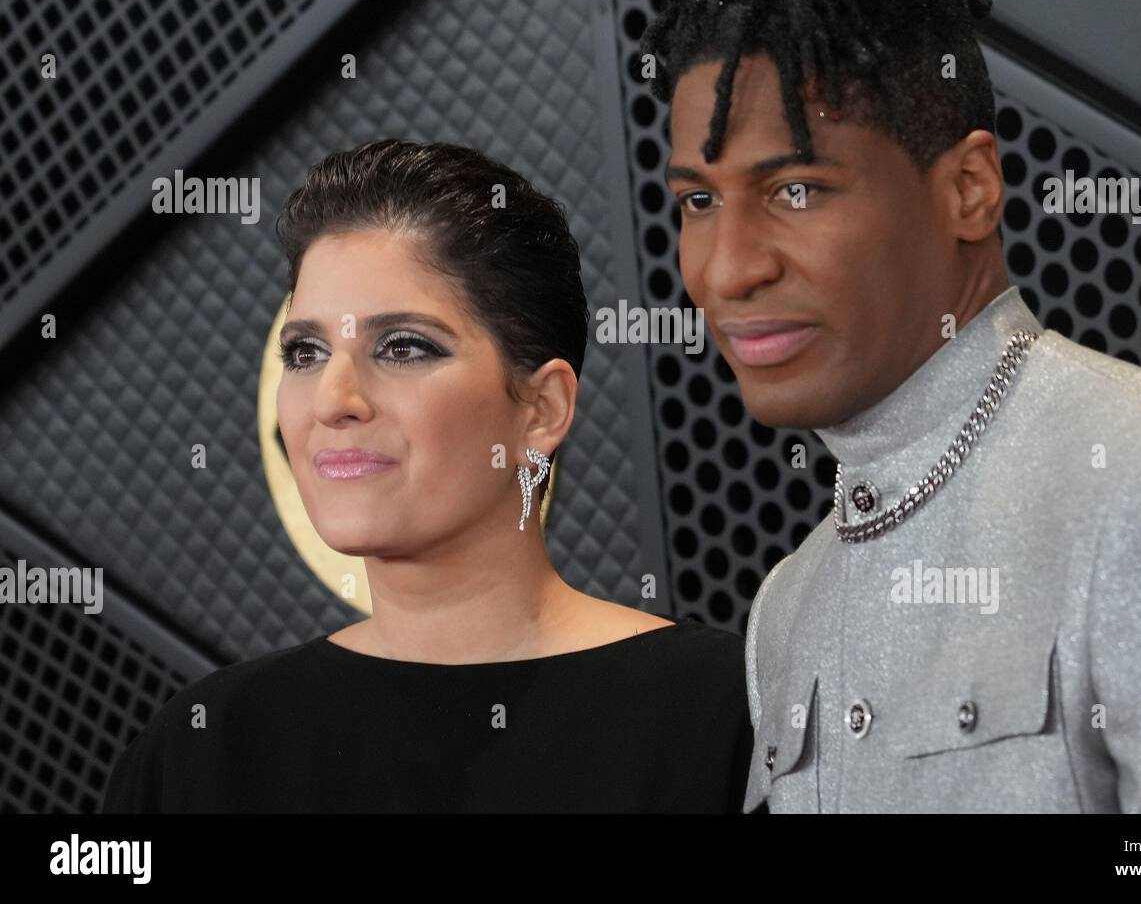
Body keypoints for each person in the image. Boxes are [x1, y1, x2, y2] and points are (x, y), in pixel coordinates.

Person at [618, 0, 1141, 812]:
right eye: (698, 201)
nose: (728, 268)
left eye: (796, 191)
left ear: (969, 190)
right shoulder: (788, 604)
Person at [100, 139, 755, 813]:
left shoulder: (717, 713)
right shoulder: (201, 752)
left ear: (542, 407)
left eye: (403, 347)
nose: (333, 399)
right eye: (305, 352)